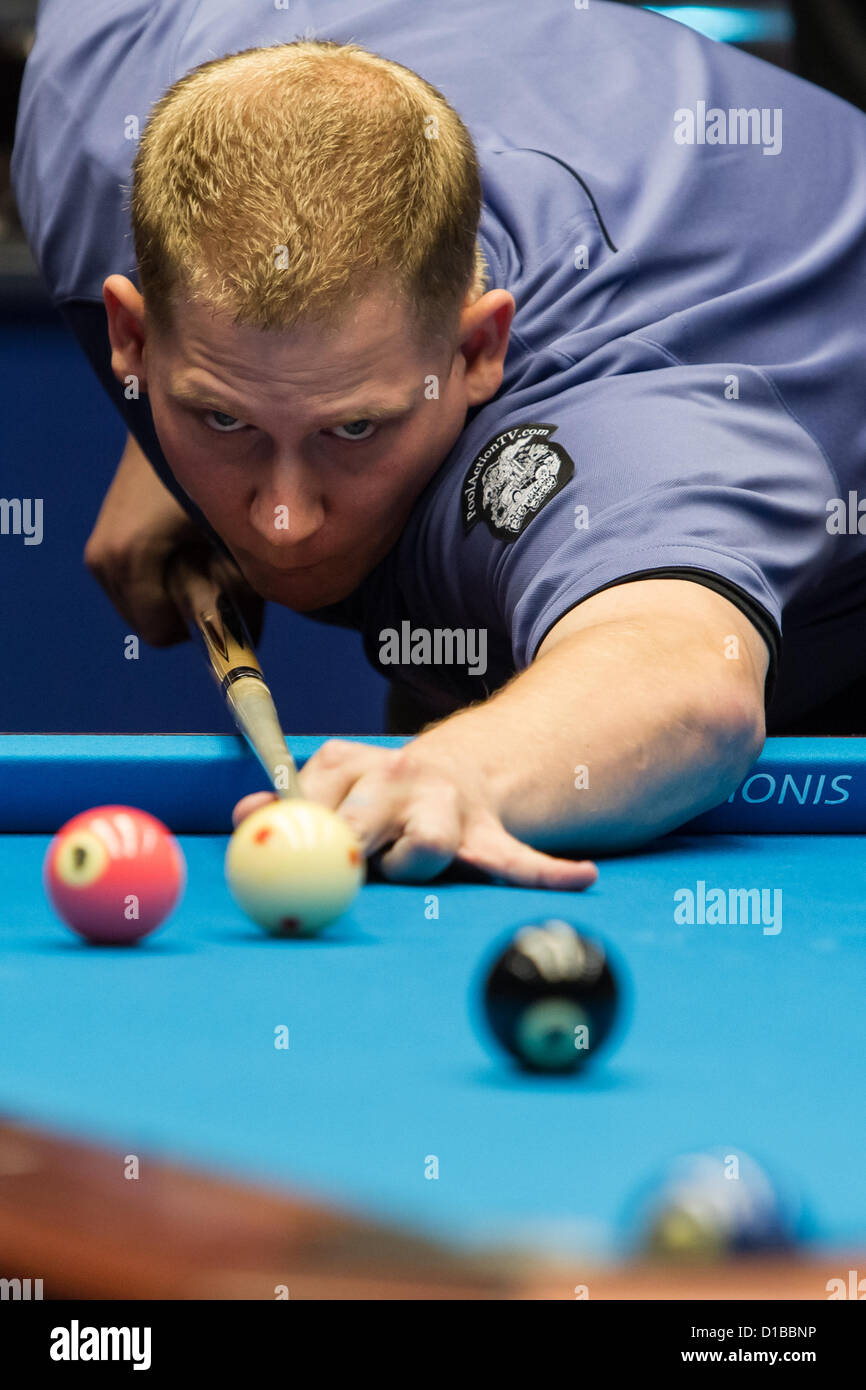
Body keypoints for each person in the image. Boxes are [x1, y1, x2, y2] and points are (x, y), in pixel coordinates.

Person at [11, 2, 866, 880]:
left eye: (354, 428)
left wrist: (466, 770)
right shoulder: (92, 88)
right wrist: (160, 436)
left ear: (475, 350)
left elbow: (688, 683)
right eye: (222, 417)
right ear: (134, 334)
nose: (282, 521)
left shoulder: (608, 426)